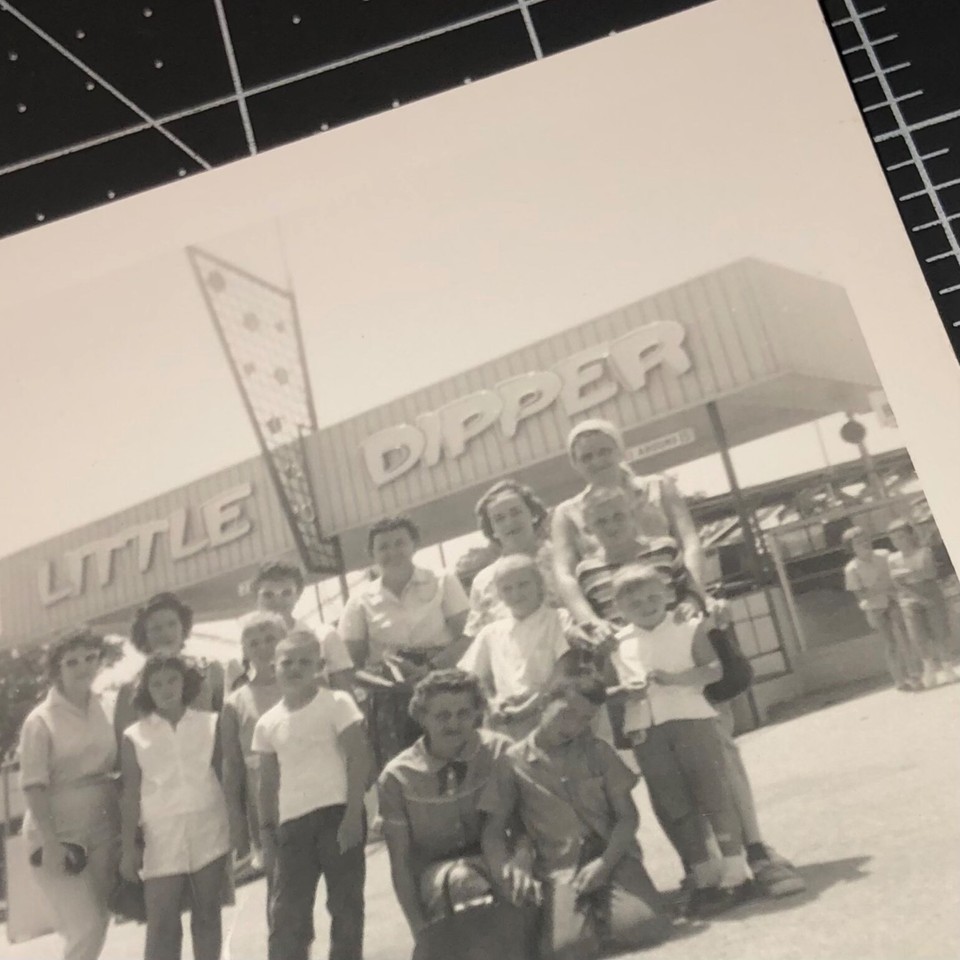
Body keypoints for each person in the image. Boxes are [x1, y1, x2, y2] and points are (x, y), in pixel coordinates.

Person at [557, 424, 806, 900]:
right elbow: (564, 574)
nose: (596, 458)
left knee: (718, 749)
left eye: (603, 448)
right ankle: (708, 869)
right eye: (584, 454)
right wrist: (587, 621)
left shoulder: (656, 487)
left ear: (620, 447)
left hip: (678, 621)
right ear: (574, 462)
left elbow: (688, 540)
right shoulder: (568, 513)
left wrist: (696, 594)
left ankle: (754, 851)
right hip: (623, 636)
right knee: (663, 767)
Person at [480, 672, 672, 960]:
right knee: (568, 951)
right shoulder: (511, 762)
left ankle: (607, 910)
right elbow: (493, 831)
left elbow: (627, 818)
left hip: (612, 855)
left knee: (646, 929)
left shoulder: (598, 752)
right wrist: (508, 872)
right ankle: (586, 918)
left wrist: (604, 865)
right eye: (566, 713)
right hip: (558, 866)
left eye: (585, 719)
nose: (573, 726)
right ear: (545, 703)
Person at [608, 564, 752, 917]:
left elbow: (714, 669)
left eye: (654, 597)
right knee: (675, 803)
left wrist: (676, 679)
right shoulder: (617, 644)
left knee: (712, 794)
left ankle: (736, 873)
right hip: (646, 729)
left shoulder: (687, 626)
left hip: (691, 718)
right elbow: (608, 692)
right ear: (619, 608)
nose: (647, 605)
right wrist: (625, 692)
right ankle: (705, 877)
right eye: (636, 602)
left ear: (668, 595)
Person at [378, 669, 535, 959]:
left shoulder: (500, 750)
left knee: (526, 895)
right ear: (421, 716)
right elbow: (400, 863)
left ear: (478, 712)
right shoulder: (397, 778)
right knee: (465, 884)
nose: (454, 723)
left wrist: (523, 858)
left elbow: (525, 820)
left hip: (500, 855)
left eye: (464, 713)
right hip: (440, 874)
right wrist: (421, 933)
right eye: (442, 715)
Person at [252, 630, 372, 960]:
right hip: (292, 826)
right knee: (287, 912)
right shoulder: (267, 723)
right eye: (287, 662)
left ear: (319, 666)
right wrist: (266, 833)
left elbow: (357, 758)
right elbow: (267, 783)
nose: (294, 669)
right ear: (273, 666)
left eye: (305, 662)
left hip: (337, 815)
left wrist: (352, 815)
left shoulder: (337, 703)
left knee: (345, 905)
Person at [119, 654, 233, 960]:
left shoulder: (211, 723)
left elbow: (225, 776)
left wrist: (239, 826)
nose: (166, 688)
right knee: (162, 923)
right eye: (156, 684)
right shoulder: (134, 736)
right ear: (147, 690)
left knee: (208, 913)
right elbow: (130, 794)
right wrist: (129, 848)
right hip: (161, 835)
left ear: (185, 682)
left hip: (209, 826)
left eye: (172, 680)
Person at [18, 627, 120, 960]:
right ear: (56, 670)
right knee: (86, 926)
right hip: (58, 838)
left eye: (91, 658)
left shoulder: (108, 706)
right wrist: (50, 842)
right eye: (72, 662)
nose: (83, 668)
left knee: (100, 920)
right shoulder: (40, 720)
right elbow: (33, 785)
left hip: (103, 831)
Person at [339, 515, 471, 769]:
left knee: (458, 758)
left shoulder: (442, 579)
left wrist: (430, 671)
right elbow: (350, 664)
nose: (392, 552)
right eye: (383, 547)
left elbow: (466, 636)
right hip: (391, 695)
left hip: (443, 683)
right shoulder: (359, 600)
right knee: (405, 767)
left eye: (399, 543)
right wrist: (388, 682)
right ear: (372, 553)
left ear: (414, 544)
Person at [459, 554, 576, 740]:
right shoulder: (490, 633)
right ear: (499, 594)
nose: (516, 594)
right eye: (507, 588)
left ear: (540, 585)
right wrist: (492, 703)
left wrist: (530, 706)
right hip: (509, 721)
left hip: (552, 713)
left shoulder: (559, 619)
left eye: (523, 584)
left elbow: (564, 669)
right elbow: (474, 678)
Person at [220, 611, 286, 887]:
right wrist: (239, 832)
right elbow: (233, 769)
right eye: (254, 643)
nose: (263, 648)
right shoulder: (236, 703)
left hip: (315, 797)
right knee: (282, 893)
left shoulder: (310, 687)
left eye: (271, 639)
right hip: (268, 808)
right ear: (244, 651)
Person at [113, 593, 226, 743]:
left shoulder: (210, 671)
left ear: (183, 627)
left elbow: (225, 730)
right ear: (144, 636)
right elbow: (126, 746)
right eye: (156, 628)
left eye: (172, 624)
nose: (166, 633)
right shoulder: (130, 689)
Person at [463, 479, 561, 640]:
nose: (509, 522)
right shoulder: (483, 581)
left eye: (516, 512)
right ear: (492, 529)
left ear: (533, 514)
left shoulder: (562, 557)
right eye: (499, 518)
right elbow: (477, 638)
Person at [251, 560, 354, 691]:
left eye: (286, 593)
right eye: (268, 595)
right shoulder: (246, 649)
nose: (278, 601)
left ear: (298, 595)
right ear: (256, 598)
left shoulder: (324, 636)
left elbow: (345, 696)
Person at [842, 526, 922, 691]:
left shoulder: (884, 555)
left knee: (905, 636)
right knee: (890, 643)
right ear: (851, 548)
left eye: (866, 539)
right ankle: (900, 679)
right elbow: (860, 594)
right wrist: (877, 589)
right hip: (874, 607)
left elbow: (897, 575)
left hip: (894, 600)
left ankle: (915, 674)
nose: (864, 544)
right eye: (858, 543)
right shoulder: (852, 568)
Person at [887, 519, 960, 688]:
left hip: (931, 596)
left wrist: (905, 573)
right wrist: (911, 577)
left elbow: (928, 573)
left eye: (902, 536)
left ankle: (948, 667)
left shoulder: (924, 552)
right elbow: (896, 581)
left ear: (911, 535)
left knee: (939, 632)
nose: (899, 541)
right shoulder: (893, 559)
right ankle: (929, 669)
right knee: (918, 636)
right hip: (909, 599)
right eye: (895, 539)